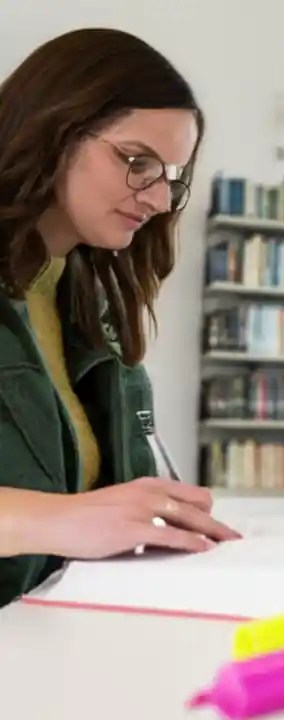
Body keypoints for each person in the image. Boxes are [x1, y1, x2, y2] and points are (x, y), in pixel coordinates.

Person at [0, 29, 240, 606]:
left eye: (171, 177)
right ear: (52, 131)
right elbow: (67, 518)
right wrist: (58, 519)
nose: (158, 200)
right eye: (137, 162)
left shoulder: (86, 297)